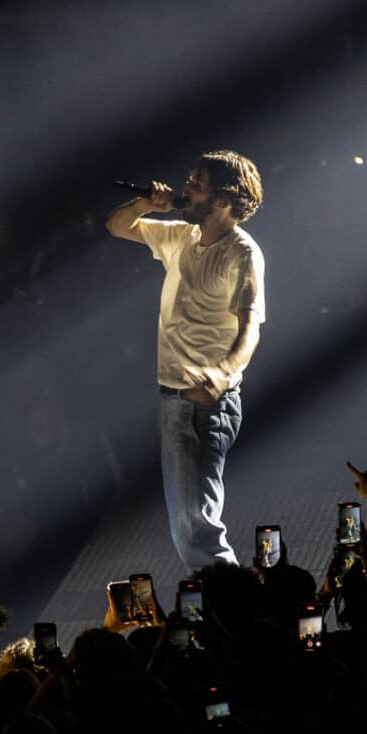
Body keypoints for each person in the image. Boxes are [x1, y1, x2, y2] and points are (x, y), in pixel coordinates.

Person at [106, 150, 266, 569]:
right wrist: (145, 204)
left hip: (205, 404)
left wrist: (224, 372)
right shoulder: (183, 237)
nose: (185, 188)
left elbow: (250, 326)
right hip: (174, 399)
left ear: (223, 199)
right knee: (188, 527)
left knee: (197, 529)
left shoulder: (242, 253)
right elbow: (117, 226)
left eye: (197, 183)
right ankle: (228, 601)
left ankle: (236, 604)